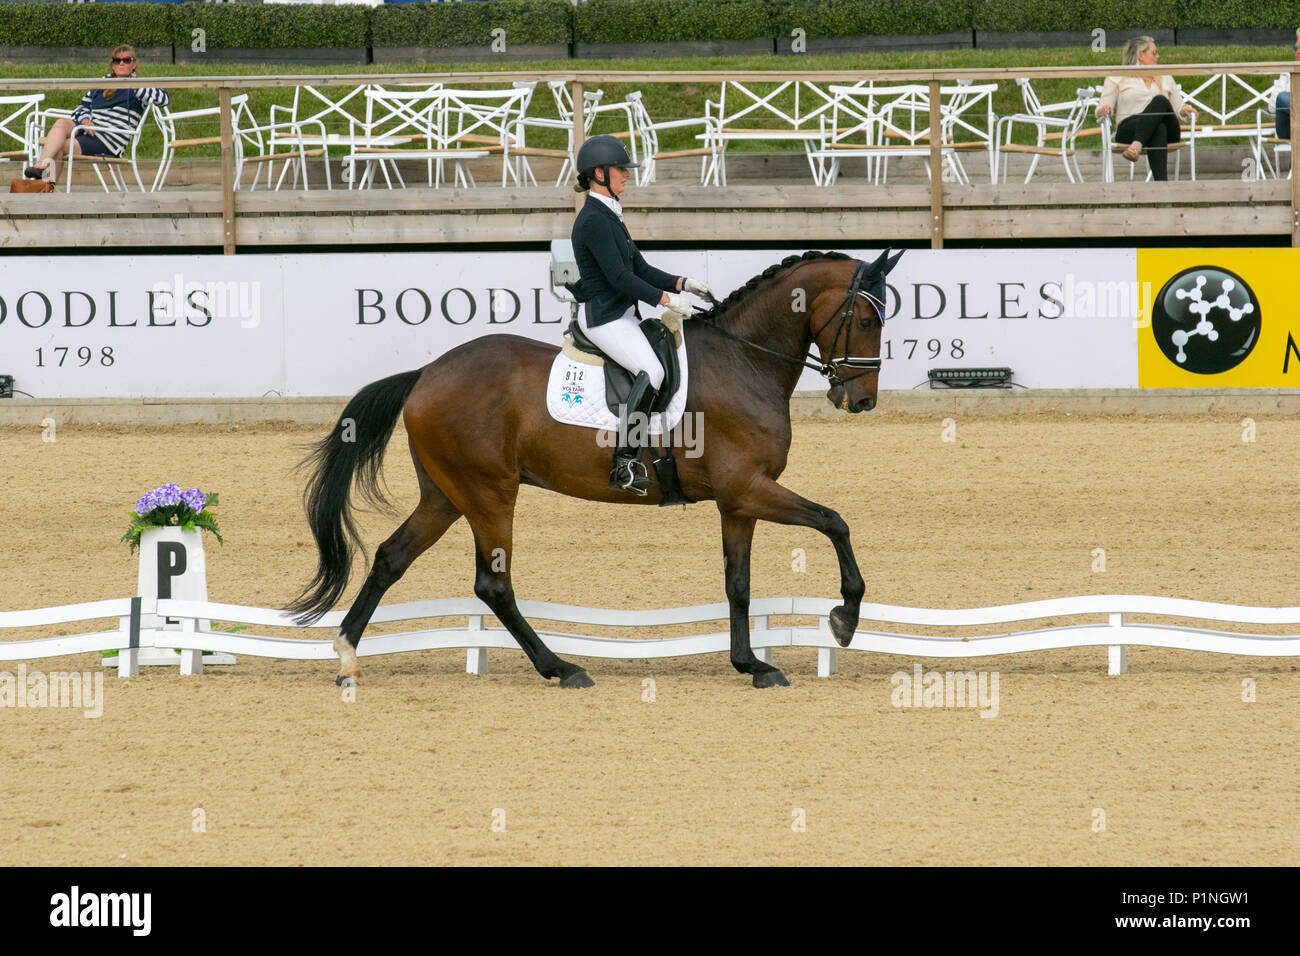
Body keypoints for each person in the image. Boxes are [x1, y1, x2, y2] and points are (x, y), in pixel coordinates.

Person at [569, 134, 711, 495]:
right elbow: (619, 278)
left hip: (621, 314)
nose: (627, 175)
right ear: (599, 173)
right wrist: (665, 300)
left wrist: (683, 283)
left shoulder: (609, 213)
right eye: (621, 169)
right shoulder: (593, 221)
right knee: (653, 371)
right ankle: (624, 462)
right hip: (604, 317)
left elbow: (640, 269)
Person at [24, 45, 168, 185]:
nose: (122, 63)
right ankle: (41, 167)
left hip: (109, 139)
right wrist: (85, 120)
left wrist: (132, 83)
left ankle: (45, 188)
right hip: (90, 131)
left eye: (127, 60)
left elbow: (163, 99)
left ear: (134, 64)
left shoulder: (140, 86)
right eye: (118, 61)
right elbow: (81, 107)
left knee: (59, 146)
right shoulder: (102, 83)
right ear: (112, 65)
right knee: (61, 123)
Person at [1096, 36, 1195, 181]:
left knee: (1160, 101)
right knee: (1158, 128)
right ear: (1140, 55)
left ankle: (1136, 145)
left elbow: (1178, 107)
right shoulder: (1117, 76)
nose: (1158, 56)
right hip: (1129, 129)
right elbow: (1101, 109)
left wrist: (1185, 110)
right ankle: (1162, 187)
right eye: (1154, 53)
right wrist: (1103, 111)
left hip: (1169, 132)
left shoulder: (1165, 76)